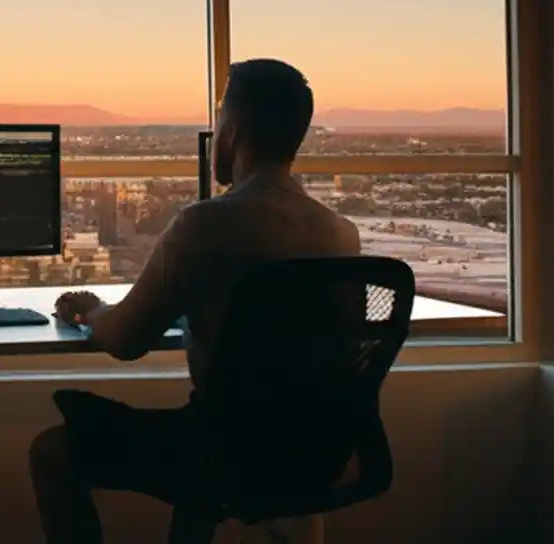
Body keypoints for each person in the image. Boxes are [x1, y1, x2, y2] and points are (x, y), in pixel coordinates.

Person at [29, 59, 361, 544]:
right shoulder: (341, 233)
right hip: (314, 452)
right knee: (201, 460)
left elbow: (125, 340)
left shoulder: (206, 225)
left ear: (234, 132)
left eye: (221, 118)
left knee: (52, 452)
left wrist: (90, 309)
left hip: (223, 451)